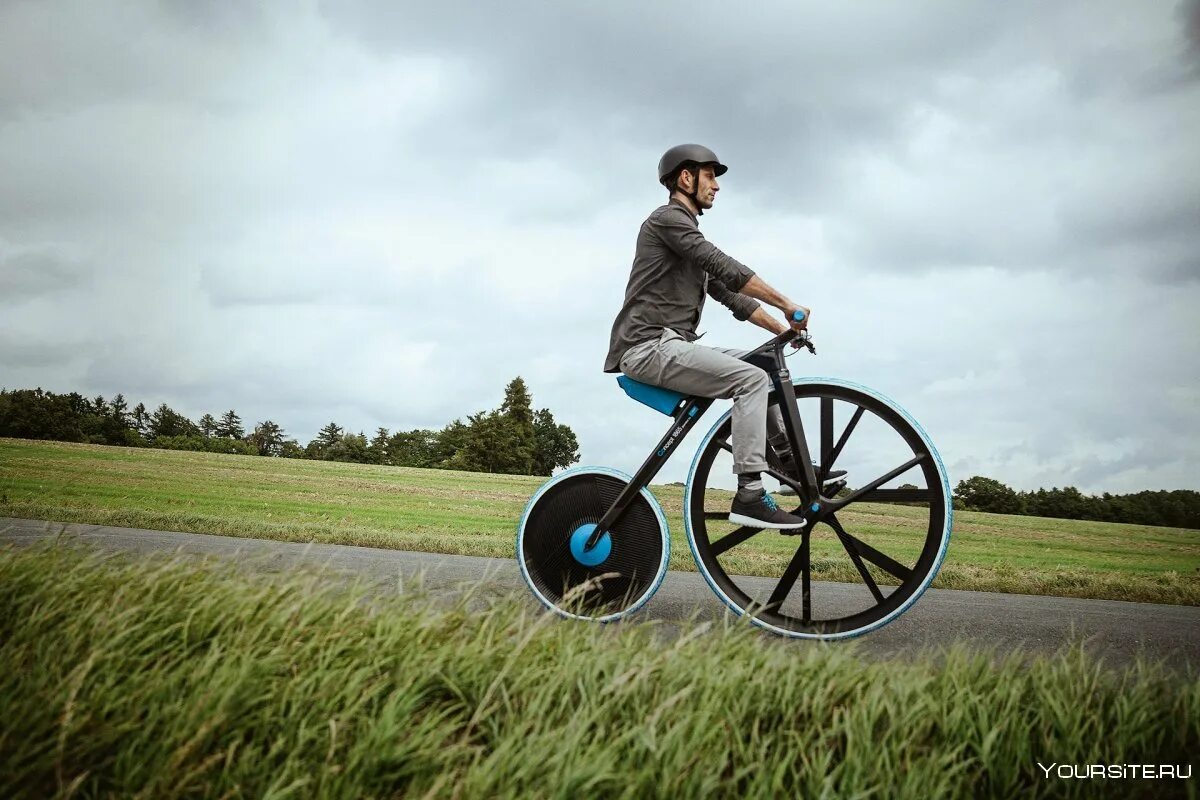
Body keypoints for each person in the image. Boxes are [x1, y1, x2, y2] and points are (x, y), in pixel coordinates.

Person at [604, 144, 841, 530]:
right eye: (710, 175)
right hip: (646, 348)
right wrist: (786, 303)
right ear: (686, 177)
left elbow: (730, 294)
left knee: (760, 369)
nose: (717, 186)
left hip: (672, 346)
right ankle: (749, 493)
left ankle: (787, 460)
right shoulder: (668, 220)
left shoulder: (684, 237)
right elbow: (723, 267)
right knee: (749, 379)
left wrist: (783, 332)